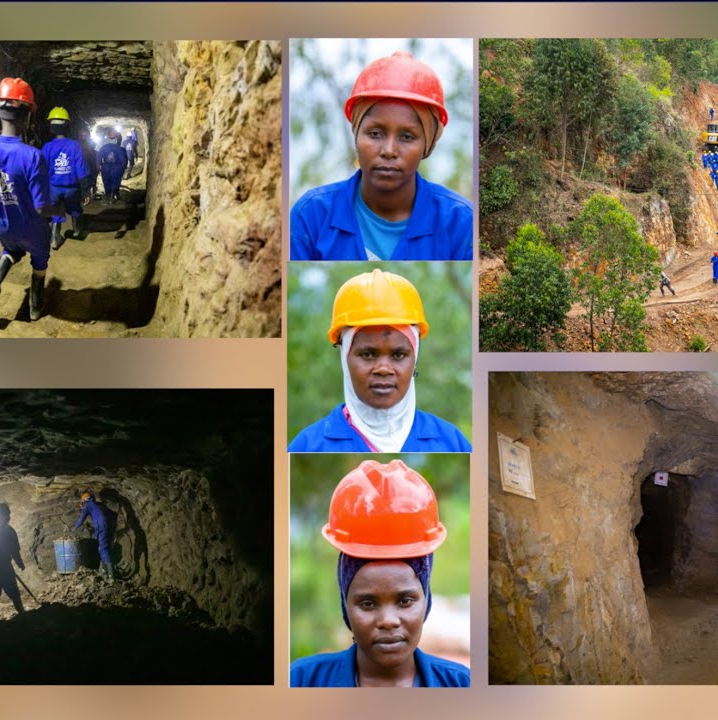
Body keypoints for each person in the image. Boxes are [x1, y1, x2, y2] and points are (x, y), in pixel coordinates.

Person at [290, 460, 470, 687]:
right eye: (367, 603)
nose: (388, 621)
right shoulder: (301, 681)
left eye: (405, 601)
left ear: (427, 600)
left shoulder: (461, 684)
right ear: (345, 604)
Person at [290, 51, 473, 261]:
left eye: (407, 136)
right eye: (375, 134)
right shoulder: (313, 215)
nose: (389, 150)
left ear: (427, 144)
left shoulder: (460, 223)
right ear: (356, 134)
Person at [289, 269, 471, 453]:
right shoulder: (308, 446)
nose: (383, 369)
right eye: (368, 354)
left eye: (398, 355)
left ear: (414, 358)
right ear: (345, 358)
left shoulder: (452, 443)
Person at [0, 77, 62, 321]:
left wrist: (2, 197)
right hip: (31, 227)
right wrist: (58, 211)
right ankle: (35, 308)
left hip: (1, 224)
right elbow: (41, 206)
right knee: (39, 260)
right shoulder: (32, 156)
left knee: (10, 249)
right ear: (27, 117)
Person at [41, 107, 89, 249]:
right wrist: (86, 189)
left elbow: (42, 169)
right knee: (75, 209)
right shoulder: (74, 146)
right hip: (72, 188)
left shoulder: (47, 147)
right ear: (67, 126)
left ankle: (54, 239)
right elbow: (81, 169)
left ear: (51, 127)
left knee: (56, 211)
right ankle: (77, 231)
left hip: (54, 188)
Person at [73, 490, 116, 581]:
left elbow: (81, 520)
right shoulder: (99, 506)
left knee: (103, 549)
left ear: (84, 500)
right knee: (103, 549)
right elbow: (112, 515)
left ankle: (111, 577)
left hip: (101, 527)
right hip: (108, 527)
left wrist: (73, 529)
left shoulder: (88, 505)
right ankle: (105, 573)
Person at [97, 131, 127, 204]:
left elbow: (98, 158)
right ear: (116, 138)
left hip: (106, 167)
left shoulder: (104, 147)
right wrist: (123, 168)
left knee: (107, 182)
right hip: (117, 167)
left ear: (108, 138)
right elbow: (123, 160)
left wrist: (99, 167)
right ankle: (113, 195)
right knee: (115, 182)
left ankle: (108, 195)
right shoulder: (119, 148)